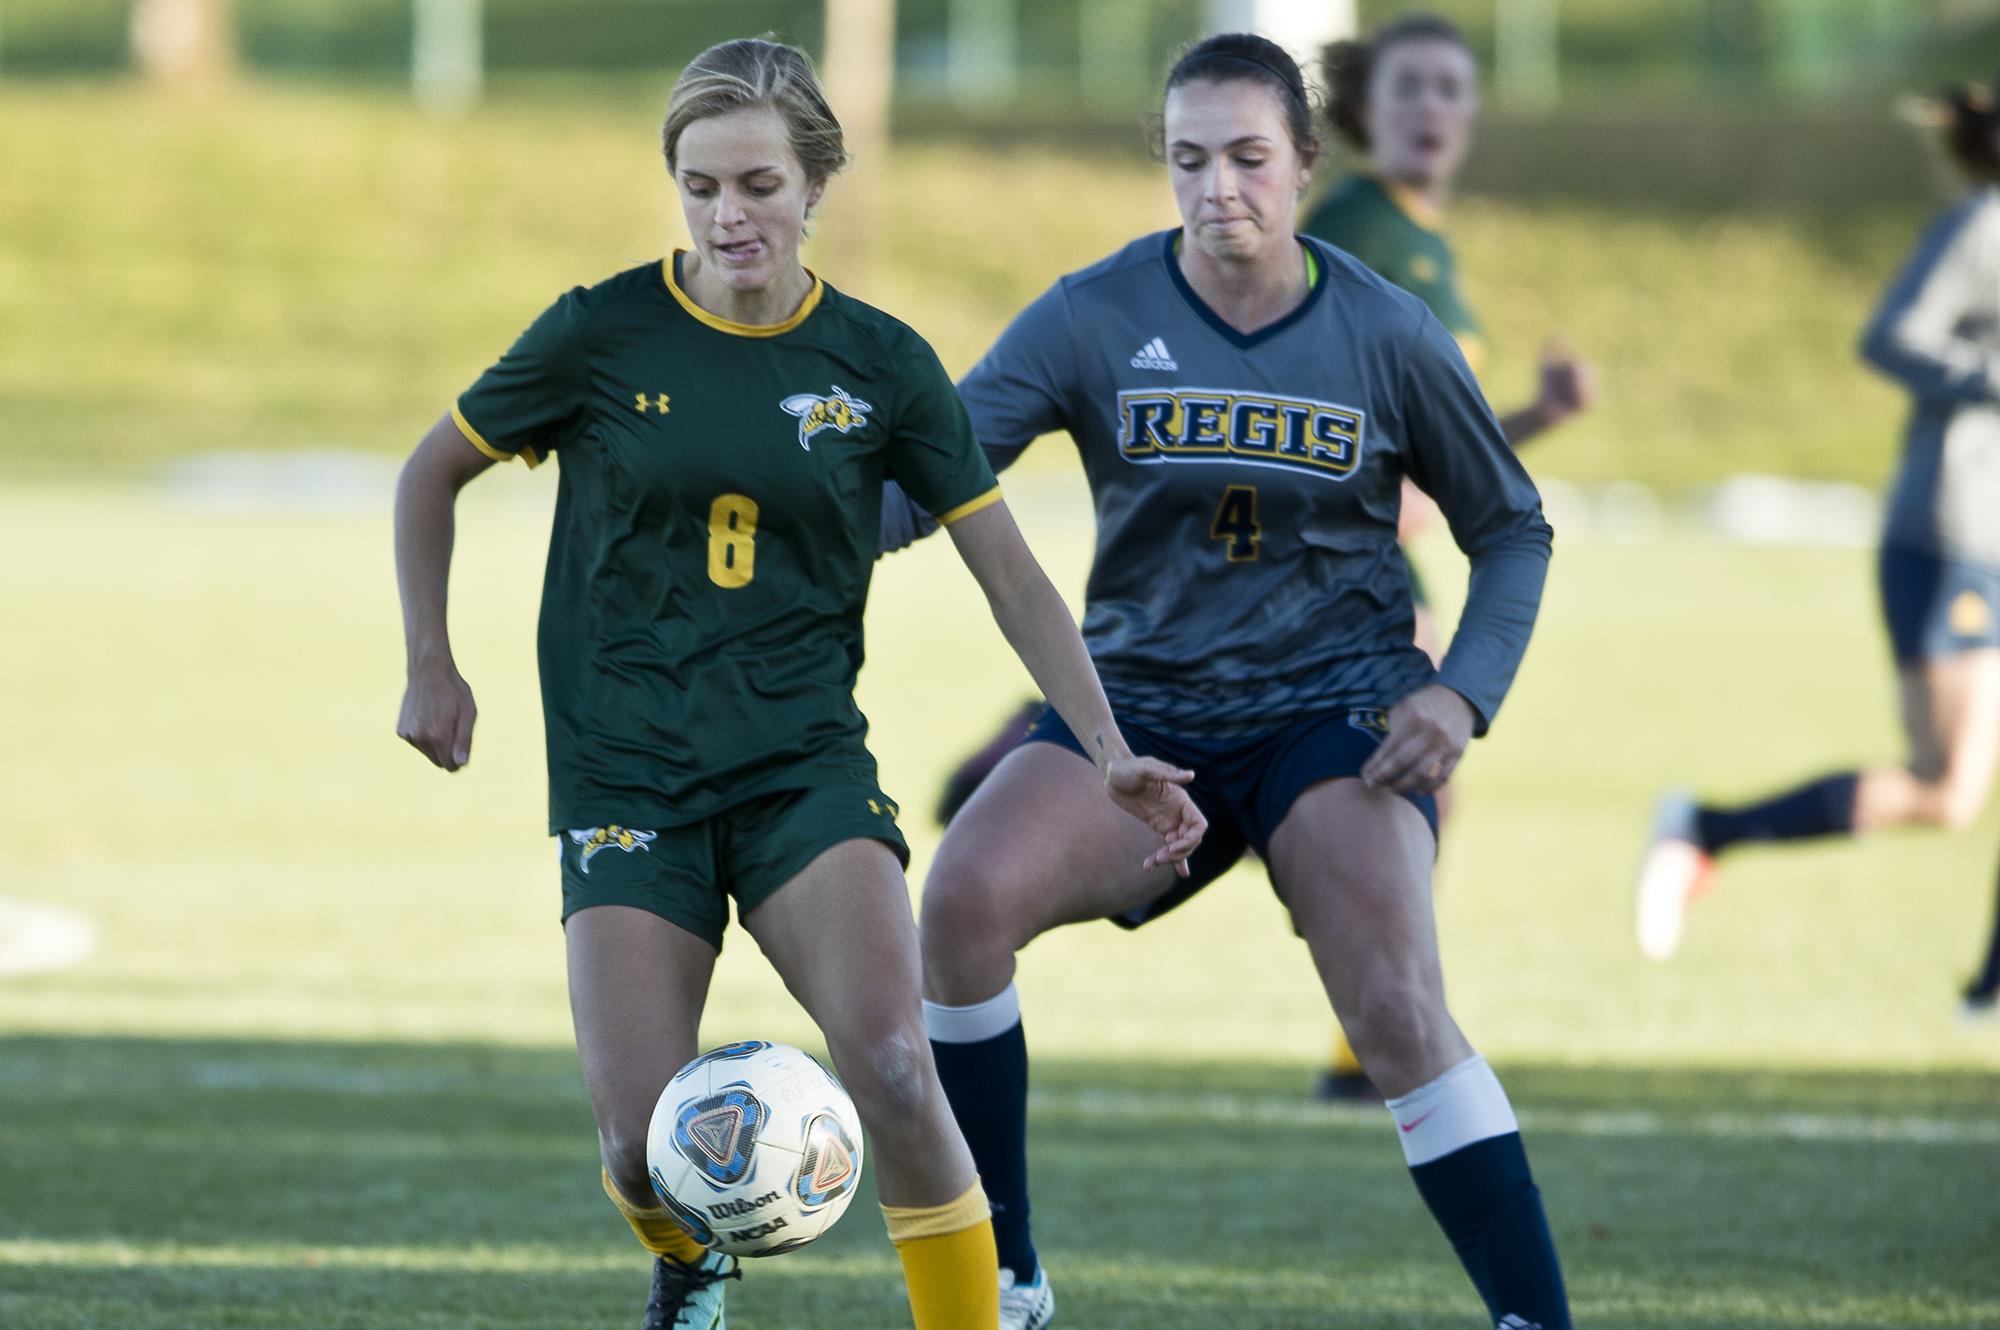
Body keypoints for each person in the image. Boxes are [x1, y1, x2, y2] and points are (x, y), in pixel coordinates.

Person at [392, 38, 1205, 1330]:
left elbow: (1012, 573)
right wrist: (431, 661)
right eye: (701, 185)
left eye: (759, 184)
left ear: (815, 182)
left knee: (891, 1060)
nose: (730, 216)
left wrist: (1105, 745)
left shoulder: (881, 364)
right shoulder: (600, 331)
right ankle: (694, 1257)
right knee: (633, 1148)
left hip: (800, 772)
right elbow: (429, 471)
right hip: (627, 778)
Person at [884, 33, 1570, 1330]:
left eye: (1250, 158)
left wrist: (1459, 692)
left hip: (1336, 715)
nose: (1220, 189)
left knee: (1395, 1009)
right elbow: (933, 476)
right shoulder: (1092, 312)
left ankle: (1536, 1319)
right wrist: (772, 517)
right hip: (1142, 715)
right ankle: (1010, 1283)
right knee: (962, 902)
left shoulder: (1386, 327)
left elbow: (1512, 528)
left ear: (1308, 163)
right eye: (1190, 159)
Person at [1634, 76, 2000, 972]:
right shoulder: (1984, 225)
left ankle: (1989, 985)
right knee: (1946, 792)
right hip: (1953, 533)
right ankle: (1706, 830)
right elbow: (1891, 334)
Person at [1299, 9, 1596, 1100]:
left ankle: (1373, 1032)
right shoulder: (1353, 227)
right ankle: (1378, 1031)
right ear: (1365, 108)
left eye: (1449, 90)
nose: (1431, 109)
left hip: (1381, 553)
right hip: (1331, 556)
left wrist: (1534, 418)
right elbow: (1294, 391)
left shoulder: (1423, 239)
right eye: (1408, 87)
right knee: (1374, 773)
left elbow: (1438, 445)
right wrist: (1364, 493)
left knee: (1403, 776)